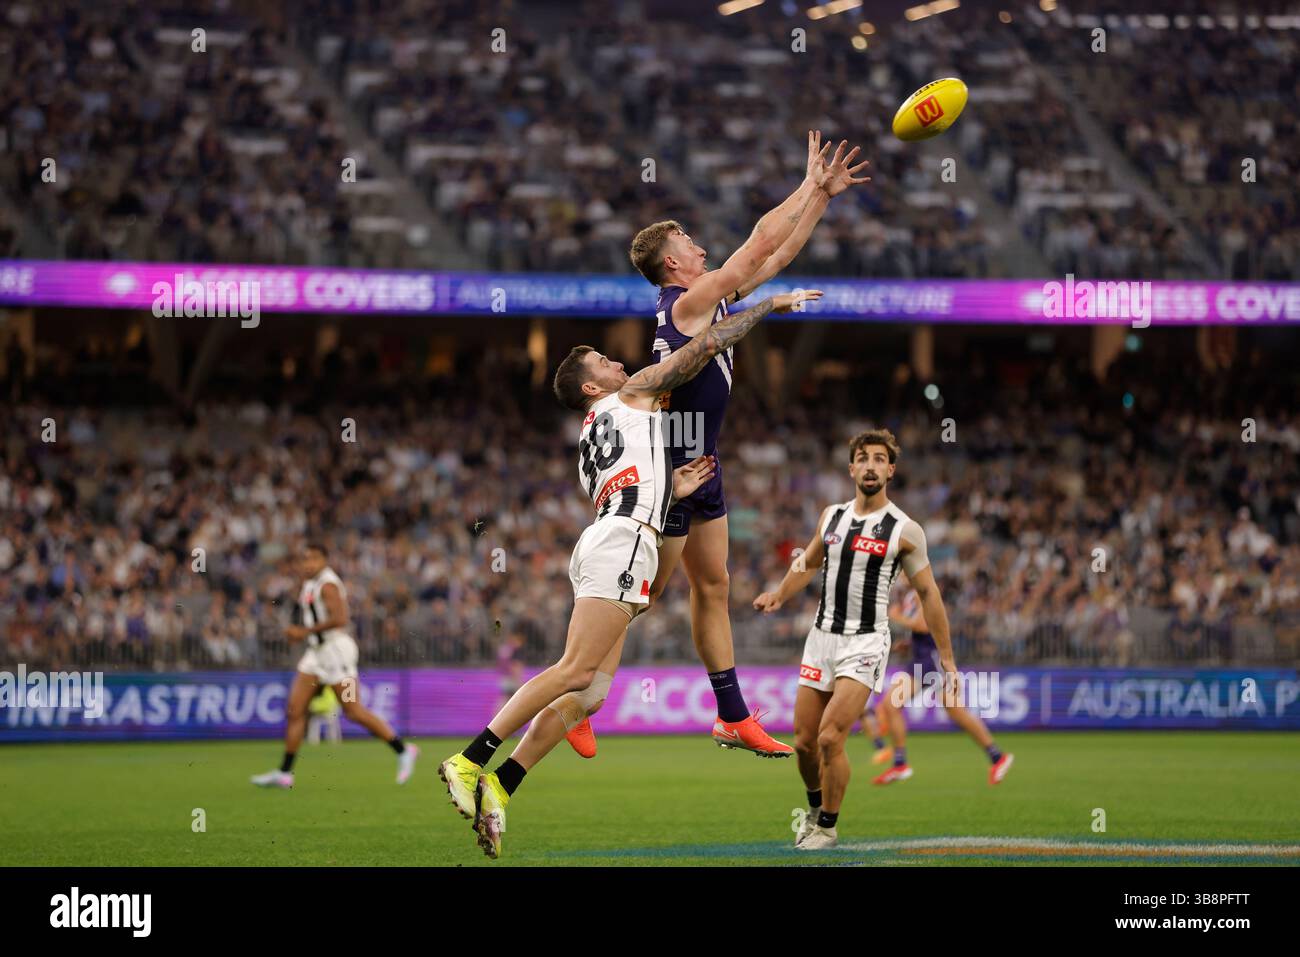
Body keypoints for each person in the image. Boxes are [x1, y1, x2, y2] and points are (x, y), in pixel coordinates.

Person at [439, 285, 822, 858]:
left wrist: (674, 488)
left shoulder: (595, 432)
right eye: (604, 361)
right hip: (621, 544)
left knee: (590, 694)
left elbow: (634, 484)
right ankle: (469, 759)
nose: (621, 362)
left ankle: (503, 784)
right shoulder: (636, 393)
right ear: (593, 386)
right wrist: (768, 306)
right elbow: (709, 343)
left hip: (616, 540)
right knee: (573, 671)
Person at [753, 429, 956, 850]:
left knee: (831, 738)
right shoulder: (832, 517)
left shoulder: (904, 530)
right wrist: (778, 593)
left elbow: (929, 595)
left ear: (891, 470)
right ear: (851, 468)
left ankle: (827, 826)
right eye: (863, 458)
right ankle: (813, 809)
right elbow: (807, 563)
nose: (870, 465)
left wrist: (948, 659)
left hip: (865, 643)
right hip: (822, 639)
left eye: (880, 459)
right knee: (805, 743)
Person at [251, 543, 418, 788]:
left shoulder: (327, 584)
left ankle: (404, 750)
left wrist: (303, 631)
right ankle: (285, 773)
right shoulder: (310, 582)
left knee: (353, 711)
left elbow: (341, 619)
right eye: (305, 559)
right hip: (316, 655)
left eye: (314, 559)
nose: (308, 564)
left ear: (325, 561)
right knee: (295, 710)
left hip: (336, 654)